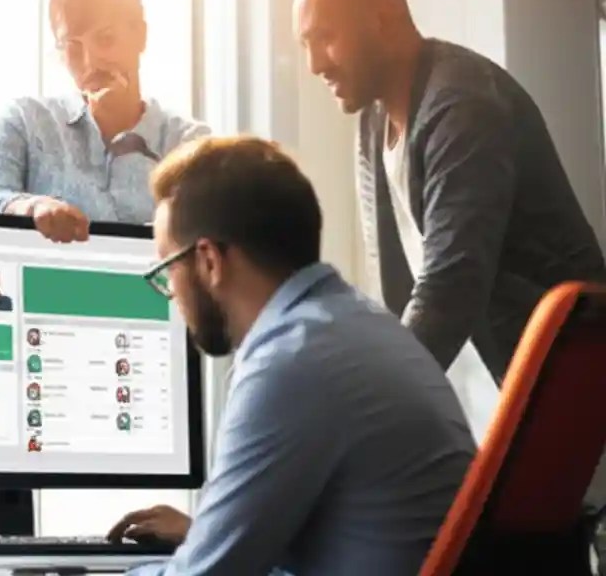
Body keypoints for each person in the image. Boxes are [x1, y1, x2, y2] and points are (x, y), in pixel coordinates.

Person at [294, 0, 606, 548]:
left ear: (384, 18)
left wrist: (358, 424)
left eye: (324, 38)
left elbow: (448, 290)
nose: (313, 64)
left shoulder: (461, 103)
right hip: (489, 409)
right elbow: (400, 295)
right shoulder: (373, 118)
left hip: (565, 400)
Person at [108, 135, 475, 575]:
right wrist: (211, 535)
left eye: (167, 269)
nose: (169, 292)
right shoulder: (359, 326)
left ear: (208, 261)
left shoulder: (289, 363)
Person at [0, 0, 210, 243]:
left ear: (140, 36)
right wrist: (33, 207)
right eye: (72, 47)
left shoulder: (188, 143)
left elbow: (208, 240)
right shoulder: (24, 121)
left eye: (105, 39)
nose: (91, 63)